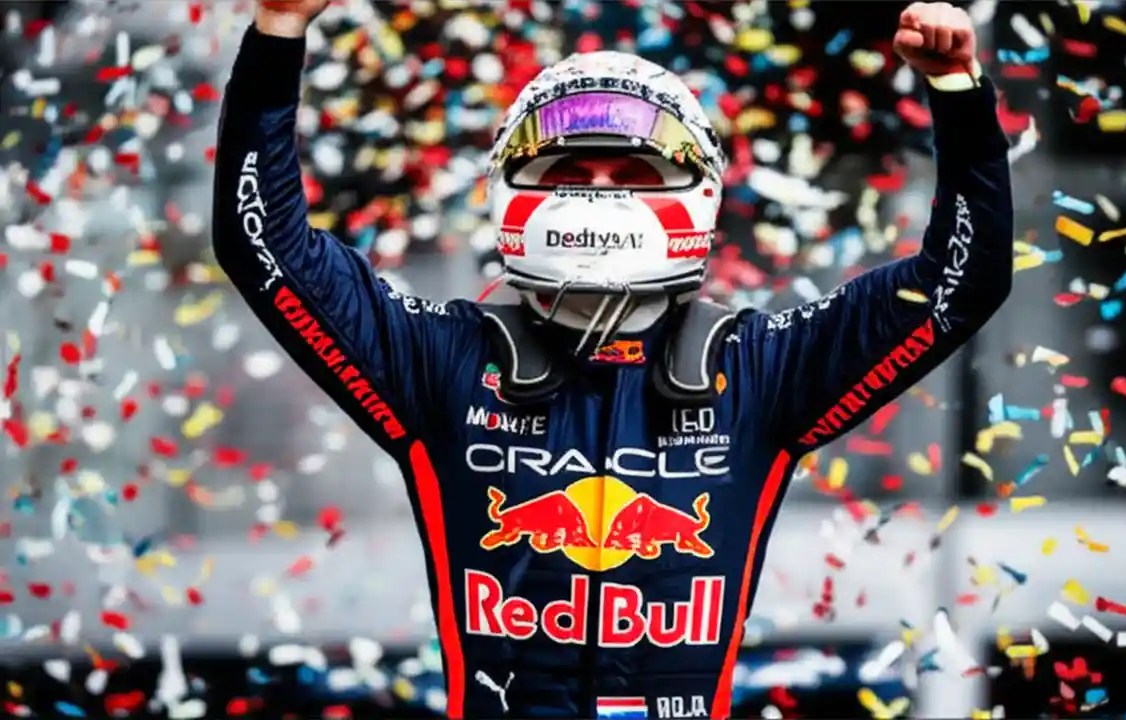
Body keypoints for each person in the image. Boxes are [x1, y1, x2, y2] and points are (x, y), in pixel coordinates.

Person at [212, 0, 1012, 717]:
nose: (597, 194)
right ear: (511, 186)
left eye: (631, 172)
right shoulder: (441, 358)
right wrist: (278, 29)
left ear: (694, 191)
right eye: (568, 170)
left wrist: (958, 92)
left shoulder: (758, 369)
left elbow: (962, 279)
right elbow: (264, 246)